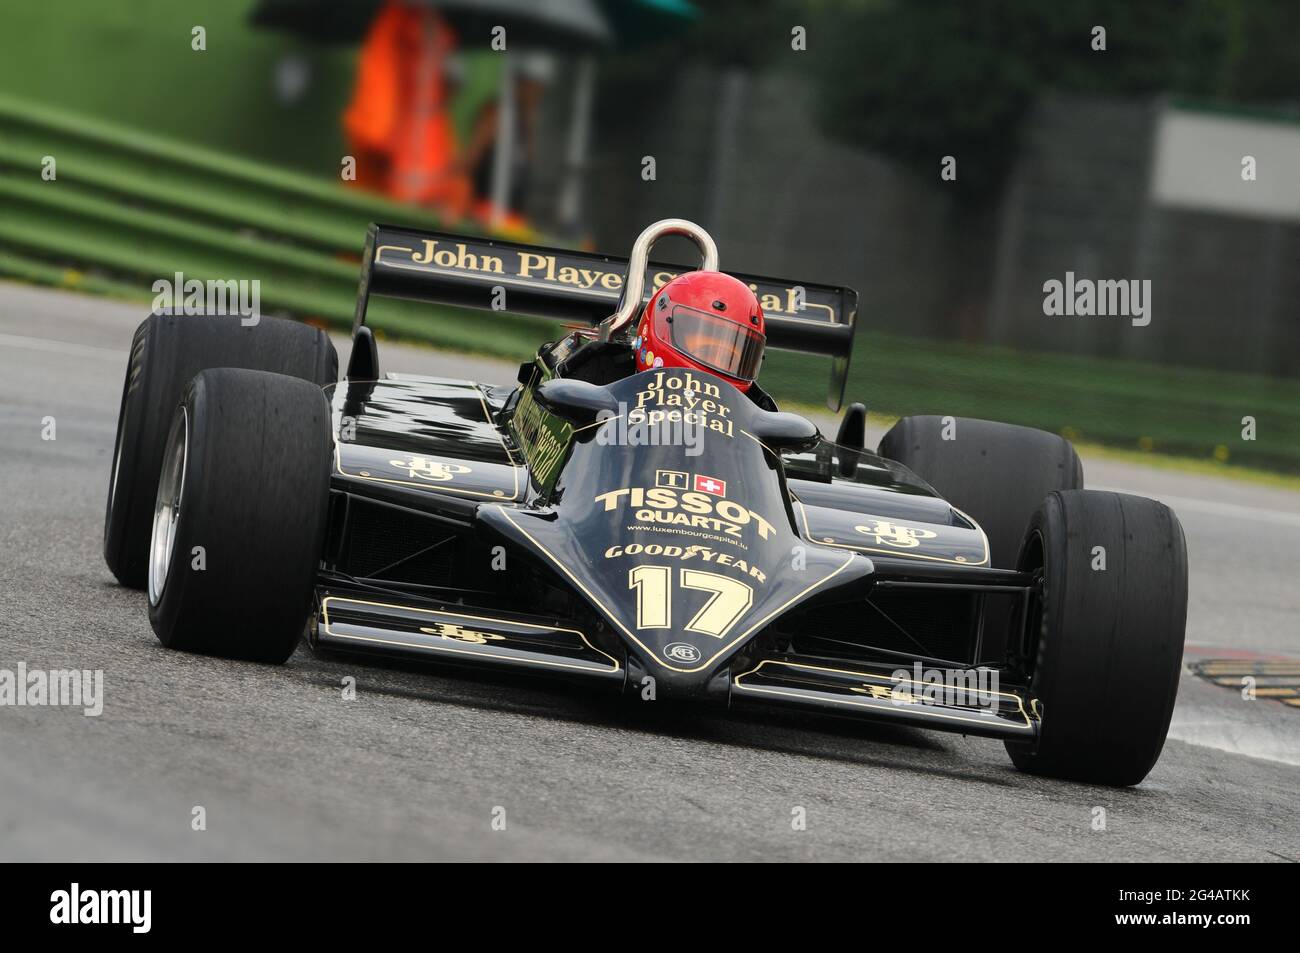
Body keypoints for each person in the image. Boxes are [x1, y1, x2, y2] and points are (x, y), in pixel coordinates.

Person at [631, 271, 766, 394]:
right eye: (707, 351)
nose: (718, 360)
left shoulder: (758, 414)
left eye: (730, 358)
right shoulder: (612, 403)